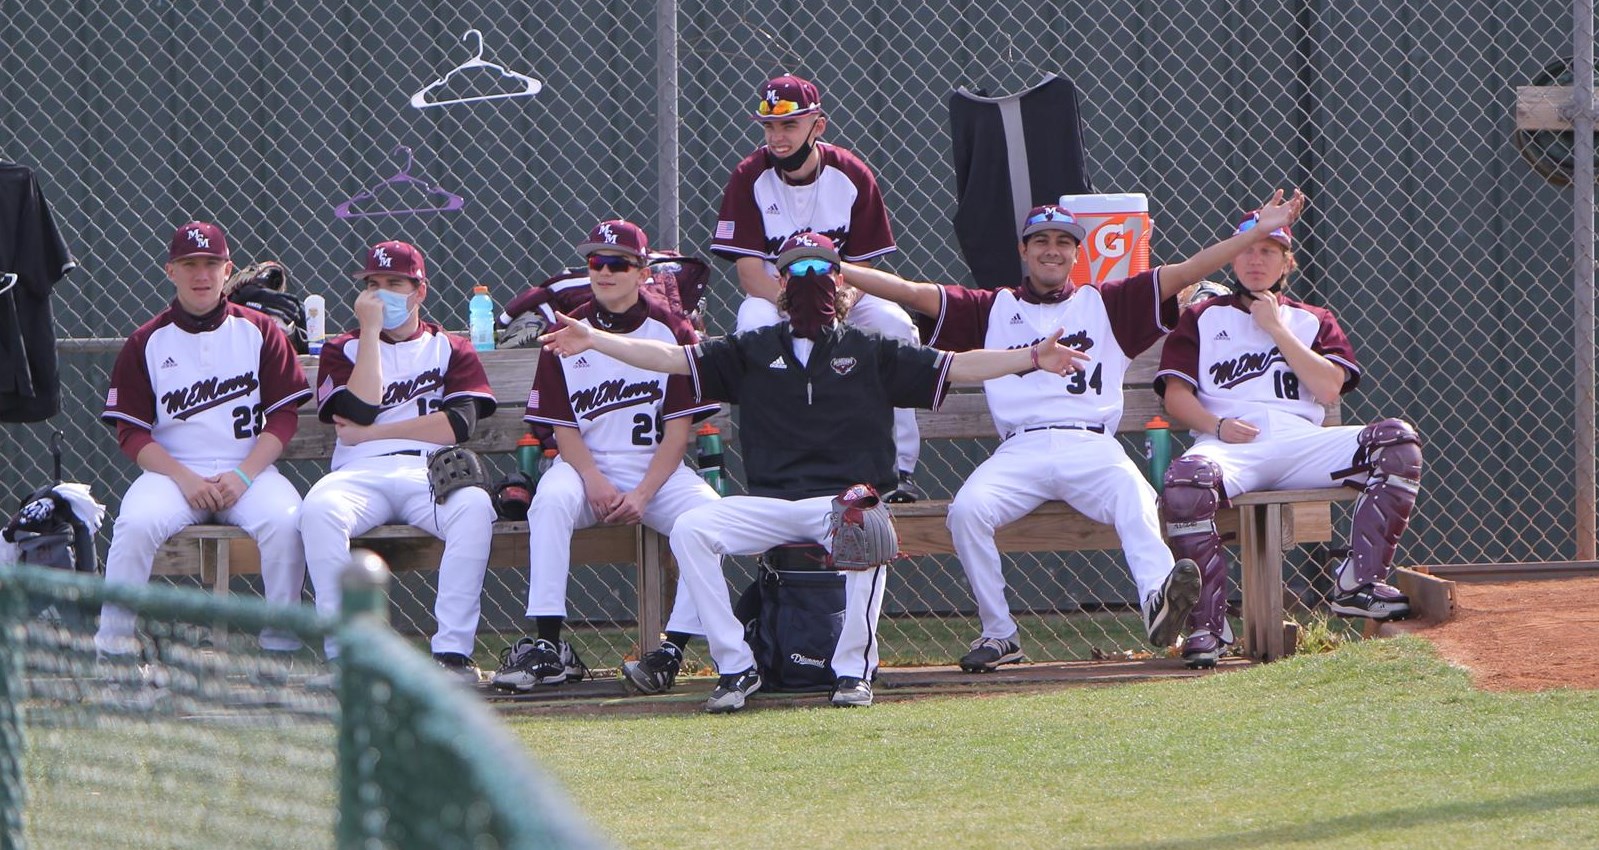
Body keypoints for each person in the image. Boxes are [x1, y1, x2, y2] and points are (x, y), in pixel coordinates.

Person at [541, 232, 1096, 712]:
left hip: (842, 503)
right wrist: (593, 338)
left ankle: (853, 670)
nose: (810, 279)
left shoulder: (871, 348)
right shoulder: (753, 349)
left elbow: (959, 366)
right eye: (797, 269)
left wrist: (1031, 356)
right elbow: (669, 359)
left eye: (822, 268)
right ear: (781, 283)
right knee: (693, 528)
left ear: (842, 283)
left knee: (867, 521)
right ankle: (736, 666)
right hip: (772, 504)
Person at [840, 192, 1307, 673]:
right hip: (1019, 450)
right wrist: (836, 266)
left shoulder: (1108, 303)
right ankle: (999, 633)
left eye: (1063, 242)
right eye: (1041, 240)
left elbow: (1188, 271)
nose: (1052, 250)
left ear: (1076, 252)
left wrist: (1254, 233)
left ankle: (1158, 601)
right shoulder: (992, 308)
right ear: (1023, 250)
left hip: (1092, 445)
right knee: (967, 512)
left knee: (1135, 496)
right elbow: (909, 292)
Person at [1155, 210, 1423, 668]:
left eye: (1268, 251)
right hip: (1230, 446)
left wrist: (1276, 328)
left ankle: (1358, 583)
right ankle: (1208, 626)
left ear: (1287, 262)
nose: (1256, 260)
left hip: (1302, 444)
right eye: (1247, 250)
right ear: (1233, 259)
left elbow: (1328, 388)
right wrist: (1216, 426)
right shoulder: (1201, 317)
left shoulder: (1313, 319)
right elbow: (1175, 396)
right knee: (1185, 485)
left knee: (1396, 444)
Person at [490, 220, 720, 694]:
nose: (605, 271)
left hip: (656, 471)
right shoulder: (566, 330)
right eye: (597, 261)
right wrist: (593, 479)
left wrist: (643, 493)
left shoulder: (671, 328)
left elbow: (679, 432)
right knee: (550, 502)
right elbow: (563, 426)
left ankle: (670, 652)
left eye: (619, 263)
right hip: (582, 468)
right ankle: (548, 645)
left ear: (643, 272)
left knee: (712, 520)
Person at [98, 221, 310, 659]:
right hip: (173, 473)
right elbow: (131, 432)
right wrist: (185, 478)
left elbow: (283, 417)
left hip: (248, 468)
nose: (201, 274)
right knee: (134, 526)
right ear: (170, 271)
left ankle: (280, 649)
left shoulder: (261, 331)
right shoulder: (146, 341)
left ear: (227, 270)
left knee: (287, 523)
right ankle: (113, 650)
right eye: (189, 264)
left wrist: (244, 475)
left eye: (211, 264)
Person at [711, 73, 926, 503]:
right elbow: (750, 274)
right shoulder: (749, 176)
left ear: (818, 125)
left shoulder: (851, 174)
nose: (777, 136)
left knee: (895, 325)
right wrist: (797, 305)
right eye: (769, 126)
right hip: (776, 296)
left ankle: (901, 469)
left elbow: (862, 265)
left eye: (789, 124)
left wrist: (838, 303)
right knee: (751, 326)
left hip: (845, 295)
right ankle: (771, 471)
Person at [299, 241, 498, 684]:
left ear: (419, 291)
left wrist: (371, 434)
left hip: (428, 472)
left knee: (474, 507)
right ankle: (347, 658)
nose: (381, 293)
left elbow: (457, 425)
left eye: (395, 283)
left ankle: (452, 655)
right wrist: (370, 333)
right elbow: (360, 408)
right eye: (373, 284)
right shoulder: (343, 348)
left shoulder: (451, 347)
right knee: (318, 510)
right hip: (358, 473)